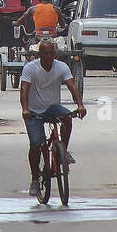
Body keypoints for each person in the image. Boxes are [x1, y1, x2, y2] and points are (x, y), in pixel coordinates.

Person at [20, 39, 86, 198]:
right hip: (33, 110)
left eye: (51, 53)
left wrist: (80, 105)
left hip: (52, 107)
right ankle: (35, 179)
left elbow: (72, 86)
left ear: (55, 54)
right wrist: (25, 109)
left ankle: (63, 149)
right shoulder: (30, 68)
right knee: (36, 144)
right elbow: (24, 89)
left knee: (67, 117)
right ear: (40, 55)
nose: (49, 56)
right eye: (45, 53)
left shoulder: (61, 67)